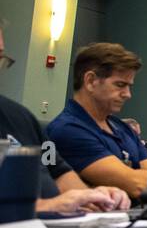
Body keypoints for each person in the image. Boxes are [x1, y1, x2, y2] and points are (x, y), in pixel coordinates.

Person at [0, 26, 130, 215]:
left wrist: (93, 197)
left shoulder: (20, 117)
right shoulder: (68, 127)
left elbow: (58, 171)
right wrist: (51, 206)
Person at [47, 43, 147, 200]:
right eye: (120, 85)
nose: (127, 94)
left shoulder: (123, 128)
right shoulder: (68, 130)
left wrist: (139, 176)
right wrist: (137, 176)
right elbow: (139, 185)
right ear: (90, 81)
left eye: (129, 86)